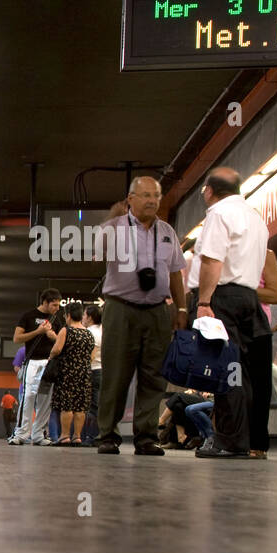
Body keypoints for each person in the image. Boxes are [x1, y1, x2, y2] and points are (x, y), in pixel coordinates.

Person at [94, 177, 187, 456]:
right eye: (145, 195)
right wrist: (113, 219)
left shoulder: (168, 232)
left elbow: (175, 274)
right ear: (130, 199)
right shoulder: (112, 229)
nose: (151, 201)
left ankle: (146, 437)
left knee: (154, 376)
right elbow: (98, 253)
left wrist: (181, 309)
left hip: (157, 309)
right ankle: (107, 435)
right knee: (116, 374)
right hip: (121, 308)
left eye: (155, 196)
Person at [193, 168, 270, 460]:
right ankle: (252, 442)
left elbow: (213, 260)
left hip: (224, 297)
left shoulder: (218, 213)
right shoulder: (255, 217)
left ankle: (228, 441)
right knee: (249, 373)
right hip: (250, 297)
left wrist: (203, 301)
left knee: (226, 369)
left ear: (210, 191)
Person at [9, 289, 62, 445]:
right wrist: (38, 331)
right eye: (54, 305)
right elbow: (17, 338)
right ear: (45, 302)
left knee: (45, 400)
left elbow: (62, 341)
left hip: (48, 363)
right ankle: (21, 434)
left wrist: (54, 337)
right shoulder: (28, 316)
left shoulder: (56, 319)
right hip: (32, 361)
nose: (57, 308)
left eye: (58, 305)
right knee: (28, 397)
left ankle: (39, 434)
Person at [247, 251, 277, 458]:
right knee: (231, 385)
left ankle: (257, 443)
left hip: (258, 325)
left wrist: (242, 290)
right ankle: (227, 438)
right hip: (229, 324)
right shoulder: (227, 253)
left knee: (260, 385)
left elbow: (275, 295)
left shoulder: (265, 254)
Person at [47, 302, 94, 444]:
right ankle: (77, 436)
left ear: (68, 315)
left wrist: (51, 356)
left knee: (67, 406)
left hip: (67, 372)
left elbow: (57, 349)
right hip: (84, 373)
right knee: (80, 407)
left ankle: (65, 435)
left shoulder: (66, 331)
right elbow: (91, 355)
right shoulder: (88, 333)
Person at [80, 304, 103, 445]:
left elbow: (91, 356)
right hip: (101, 370)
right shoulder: (102, 331)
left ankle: (91, 437)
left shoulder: (90, 333)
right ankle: (92, 436)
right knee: (97, 405)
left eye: (84, 315)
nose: (82, 317)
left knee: (92, 406)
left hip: (93, 371)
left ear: (90, 317)